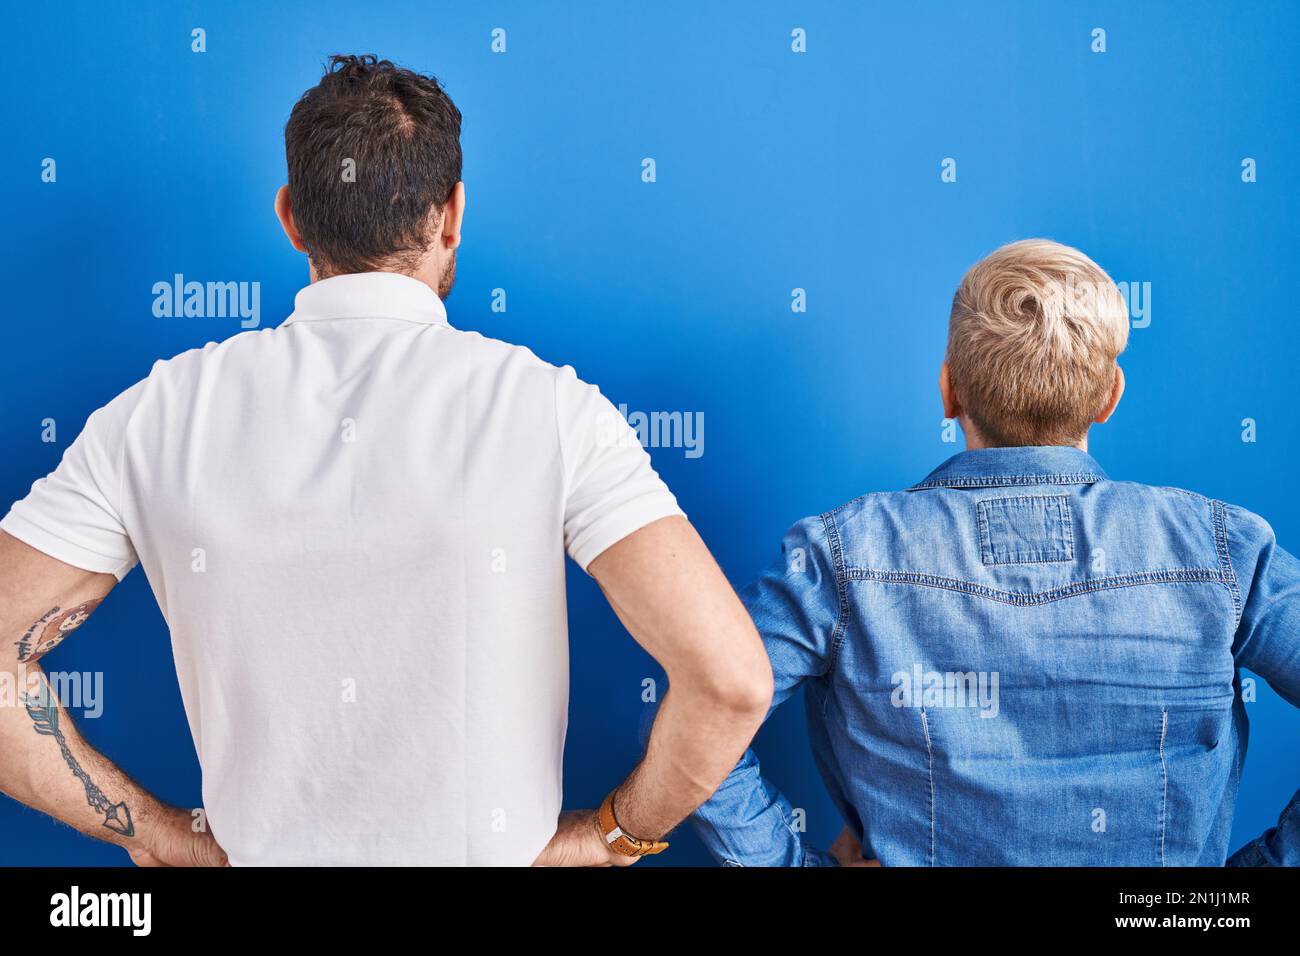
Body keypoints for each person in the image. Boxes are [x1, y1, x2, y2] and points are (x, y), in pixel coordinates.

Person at [0, 54, 772, 867]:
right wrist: (616, 836)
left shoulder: (156, 416)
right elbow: (731, 684)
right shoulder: (549, 409)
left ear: (292, 218)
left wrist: (155, 836)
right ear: (453, 215)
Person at [672, 238, 1299, 866]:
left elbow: (704, 719)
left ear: (948, 391)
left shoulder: (839, 555)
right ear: (1111, 396)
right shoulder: (1226, 551)